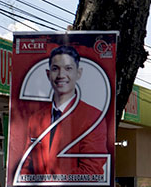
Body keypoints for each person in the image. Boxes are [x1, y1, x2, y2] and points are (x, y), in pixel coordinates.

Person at [20, 44, 106, 178]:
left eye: (68, 68)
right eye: (55, 68)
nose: (61, 75)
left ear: (78, 73)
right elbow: (26, 167)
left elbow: (91, 171)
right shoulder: (35, 119)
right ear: (48, 74)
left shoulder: (93, 118)